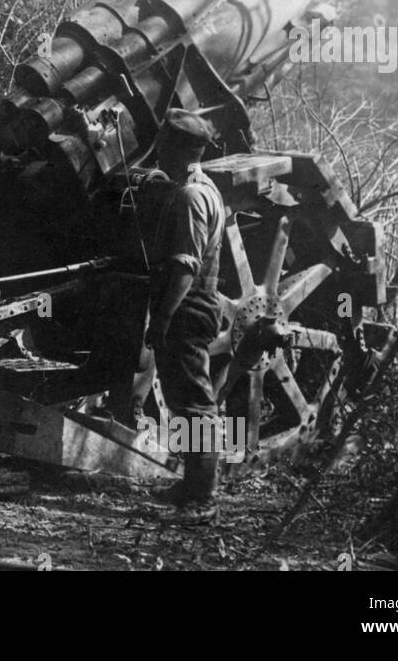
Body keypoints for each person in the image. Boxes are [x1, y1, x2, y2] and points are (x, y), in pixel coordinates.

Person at [145, 108, 226, 523]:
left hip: (188, 307)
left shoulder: (191, 197)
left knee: (194, 404)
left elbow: (184, 267)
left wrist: (161, 319)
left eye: (163, 144)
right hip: (192, 306)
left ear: (175, 147)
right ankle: (190, 486)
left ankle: (201, 499)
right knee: (184, 400)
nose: (157, 152)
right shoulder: (204, 188)